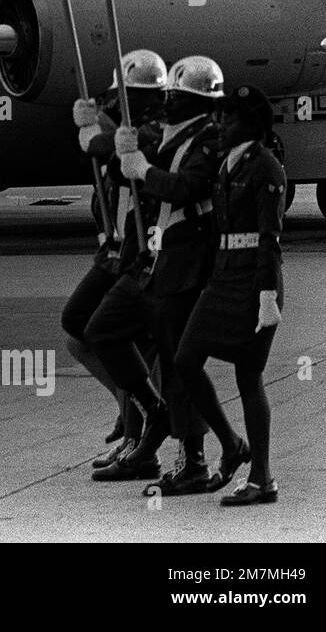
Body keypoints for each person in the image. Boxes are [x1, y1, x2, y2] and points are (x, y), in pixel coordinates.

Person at [115, 56, 224, 494]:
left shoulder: (208, 141)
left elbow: (185, 189)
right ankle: (161, 430)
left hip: (187, 265)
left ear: (199, 102)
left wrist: (142, 169)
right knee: (116, 334)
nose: (169, 102)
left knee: (180, 365)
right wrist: (109, 137)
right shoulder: (178, 134)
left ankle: (194, 458)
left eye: (178, 97)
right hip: (162, 261)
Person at [175, 85, 287, 506]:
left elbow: (269, 239)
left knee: (248, 375)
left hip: (251, 284)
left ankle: (262, 478)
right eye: (221, 117)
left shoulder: (265, 167)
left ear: (251, 125)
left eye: (231, 118)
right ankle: (231, 442)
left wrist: (266, 295)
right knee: (186, 358)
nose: (221, 125)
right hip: (222, 282)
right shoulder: (226, 165)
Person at [66, 51, 167, 467]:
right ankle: (134, 412)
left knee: (116, 339)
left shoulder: (158, 130)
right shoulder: (129, 128)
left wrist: (97, 135)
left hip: (147, 255)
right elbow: (108, 150)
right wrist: (93, 121)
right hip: (116, 252)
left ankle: (144, 423)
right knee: (81, 333)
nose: (115, 103)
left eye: (124, 97)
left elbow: (120, 151)